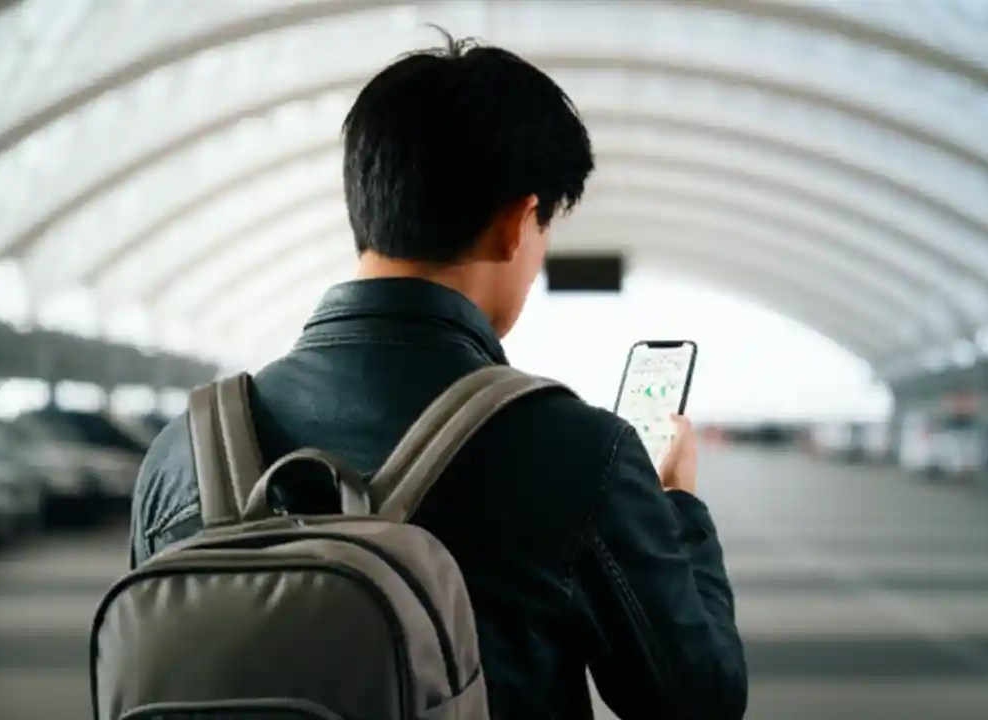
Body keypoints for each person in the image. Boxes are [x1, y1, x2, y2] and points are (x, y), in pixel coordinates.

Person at [130, 32, 747, 720]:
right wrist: (679, 507)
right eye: (546, 230)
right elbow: (698, 700)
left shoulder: (184, 451)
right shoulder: (577, 452)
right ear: (518, 223)